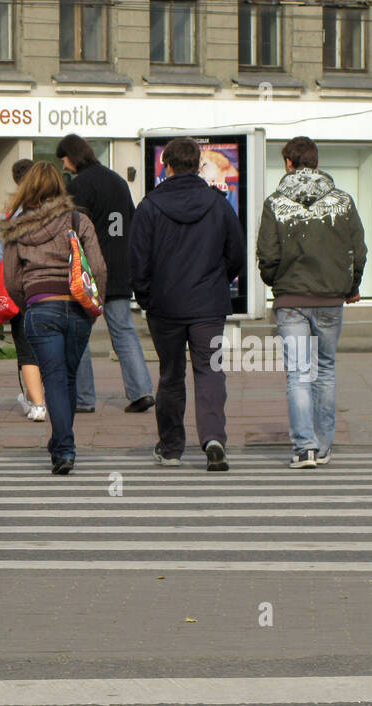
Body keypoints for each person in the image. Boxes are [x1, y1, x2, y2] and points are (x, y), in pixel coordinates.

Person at [130, 136, 244, 473]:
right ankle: (213, 439)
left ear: (166, 166)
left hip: (165, 306)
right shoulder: (218, 203)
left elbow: (137, 261)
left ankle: (171, 447)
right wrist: (217, 283)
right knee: (209, 370)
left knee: (170, 374)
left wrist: (148, 297)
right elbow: (235, 253)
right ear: (198, 165)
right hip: (208, 304)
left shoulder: (149, 206)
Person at [257, 135, 366, 470]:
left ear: (288, 163)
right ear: (316, 162)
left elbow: (267, 255)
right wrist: (351, 286)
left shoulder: (275, 202)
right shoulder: (343, 201)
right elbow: (358, 251)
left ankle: (304, 449)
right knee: (326, 369)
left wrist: (275, 282)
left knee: (298, 373)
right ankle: (324, 445)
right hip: (331, 298)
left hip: (291, 299)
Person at [0, 161, 107, 475]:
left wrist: (30, 301)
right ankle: (63, 445)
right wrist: (94, 305)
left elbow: (11, 278)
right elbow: (97, 267)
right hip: (76, 306)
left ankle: (63, 448)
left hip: (40, 307)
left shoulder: (16, 229)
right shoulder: (77, 219)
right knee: (68, 378)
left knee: (55, 379)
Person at [57, 133, 155, 414]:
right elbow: (133, 224)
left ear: (73, 156)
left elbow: (72, 232)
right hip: (120, 268)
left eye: (64, 159)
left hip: (89, 270)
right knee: (123, 330)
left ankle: (83, 398)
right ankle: (142, 391)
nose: (63, 166)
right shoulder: (119, 182)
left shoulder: (78, 188)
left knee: (80, 335)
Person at [0, 158, 47, 422]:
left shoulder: (10, 215)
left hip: (20, 291)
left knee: (26, 348)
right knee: (49, 347)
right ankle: (40, 398)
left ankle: (37, 404)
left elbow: (0, 259)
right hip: (51, 290)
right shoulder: (58, 211)